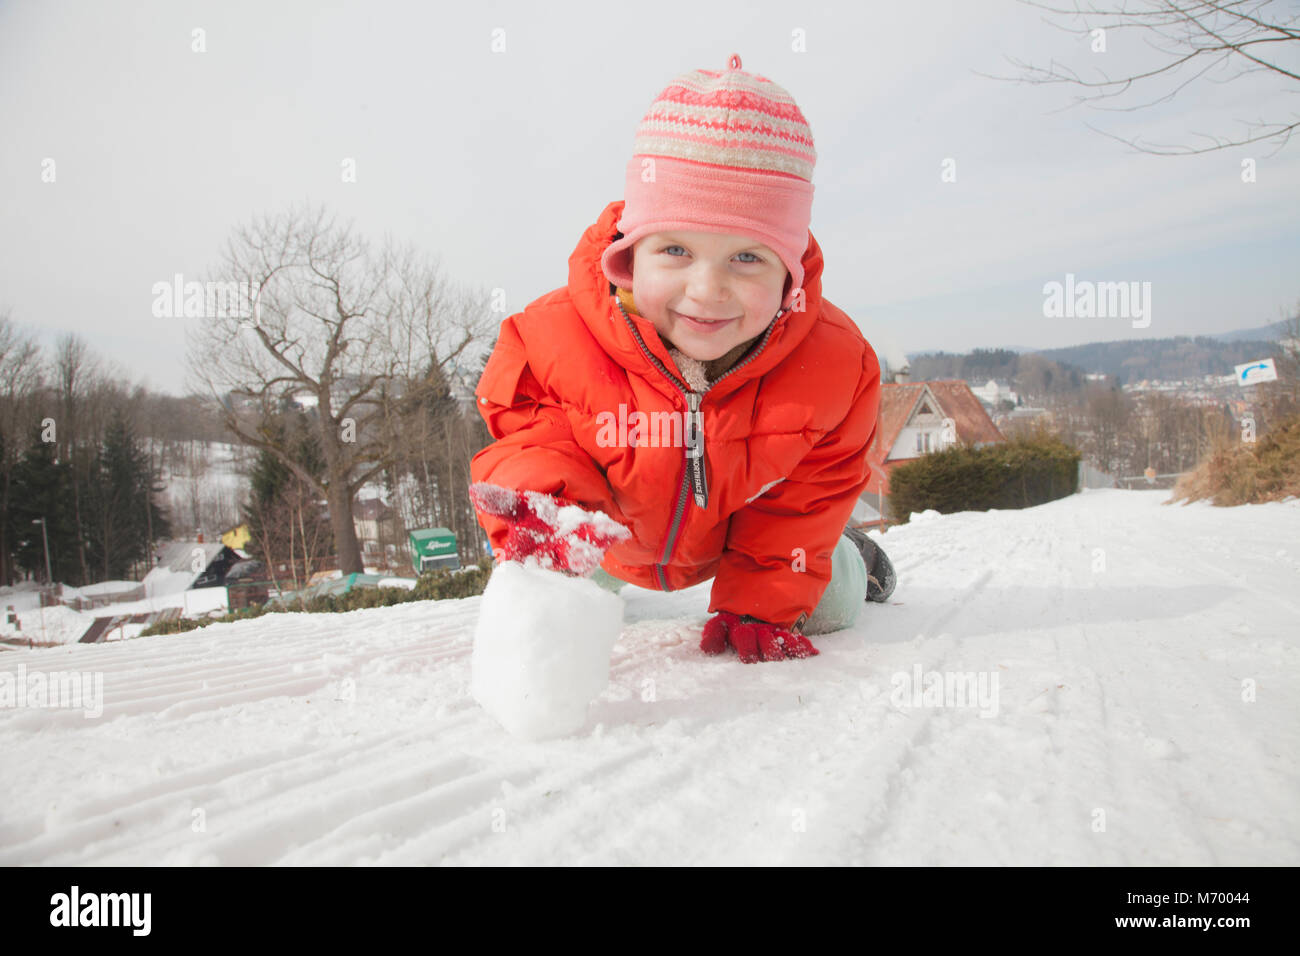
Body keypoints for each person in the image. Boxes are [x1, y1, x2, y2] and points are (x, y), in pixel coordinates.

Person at [469, 54, 895, 663]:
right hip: (607, 538)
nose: (706, 290)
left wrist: (762, 602)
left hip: (738, 543)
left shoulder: (834, 368)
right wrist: (550, 519)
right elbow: (536, 442)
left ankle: (854, 555)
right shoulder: (551, 338)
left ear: (789, 277)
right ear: (628, 256)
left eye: (747, 258)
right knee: (551, 585)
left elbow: (805, 499)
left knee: (827, 605)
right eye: (675, 249)